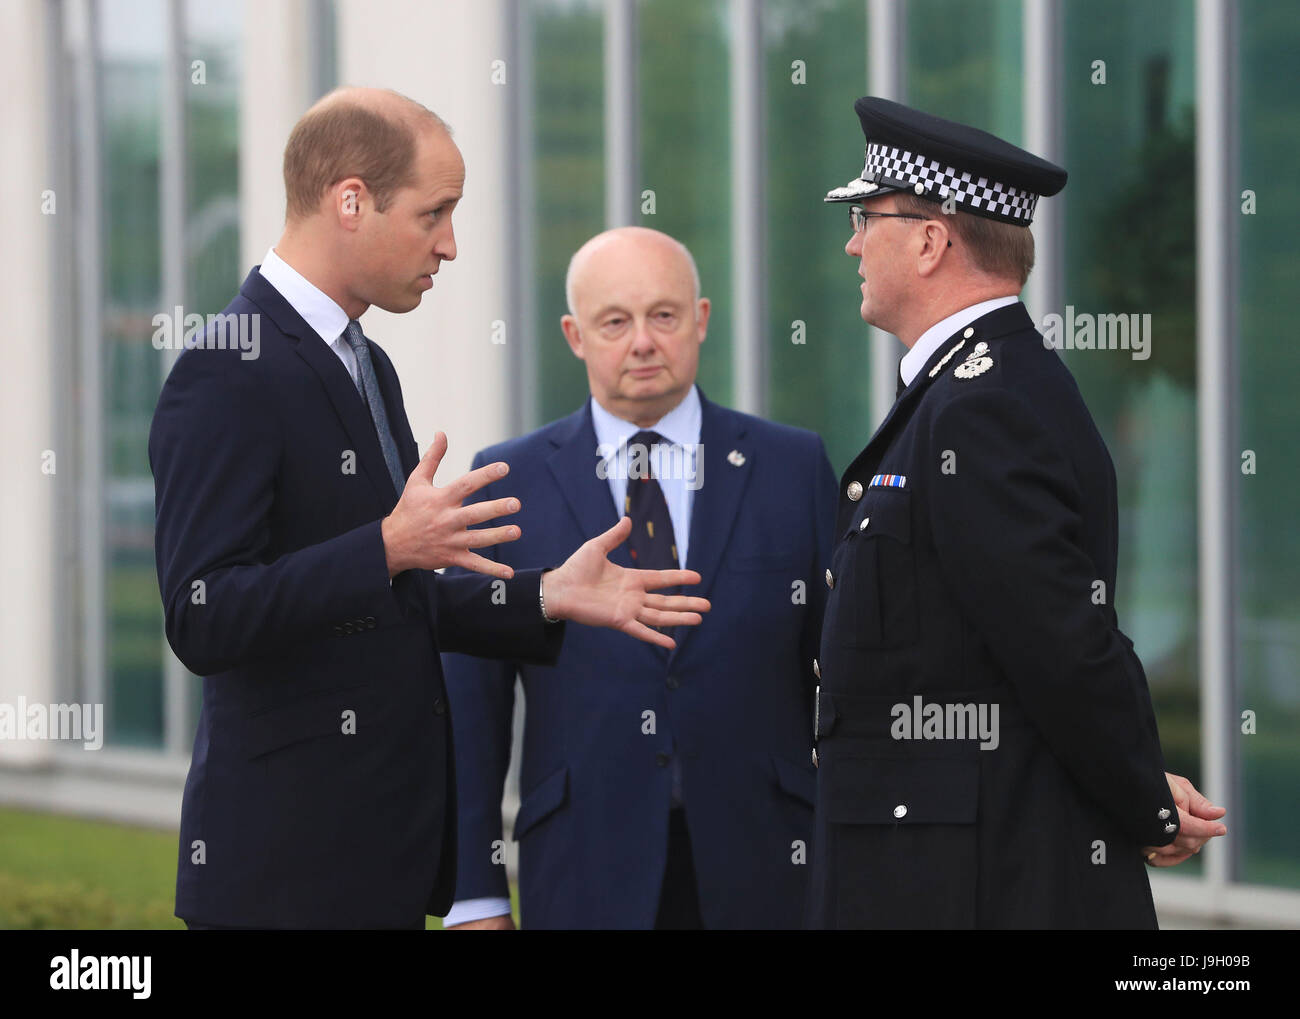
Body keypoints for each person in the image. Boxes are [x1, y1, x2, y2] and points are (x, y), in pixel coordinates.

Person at [148, 89, 708, 930]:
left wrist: (547, 595)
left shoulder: (367, 363)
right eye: (433, 213)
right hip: (284, 879)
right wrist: (383, 545)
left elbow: (391, 601)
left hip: (376, 865)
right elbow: (203, 614)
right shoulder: (227, 368)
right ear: (349, 201)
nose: (450, 244)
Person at [807, 96, 1226, 928]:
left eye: (866, 217)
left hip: (967, 883)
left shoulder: (978, 407)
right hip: (938, 866)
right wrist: (1138, 779)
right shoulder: (971, 391)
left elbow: (1063, 644)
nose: (853, 241)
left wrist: (1143, 795)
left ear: (931, 240)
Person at [440, 227, 838, 929]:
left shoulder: (794, 467)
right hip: (581, 870)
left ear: (702, 319)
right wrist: (477, 896)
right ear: (574, 334)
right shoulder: (508, 481)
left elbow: (845, 681)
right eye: (615, 322)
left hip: (767, 871)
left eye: (664, 315)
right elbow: (471, 712)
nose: (644, 342)